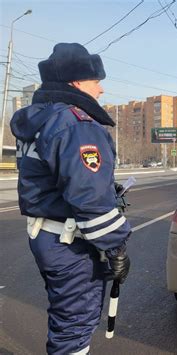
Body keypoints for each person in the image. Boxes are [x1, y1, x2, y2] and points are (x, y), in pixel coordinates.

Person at [10, 43, 131, 355]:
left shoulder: (40, 118)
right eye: (96, 81)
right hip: (70, 244)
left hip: (46, 235)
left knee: (65, 319)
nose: (101, 90)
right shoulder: (76, 124)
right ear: (77, 82)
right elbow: (90, 198)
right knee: (75, 327)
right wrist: (116, 248)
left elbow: (59, 179)